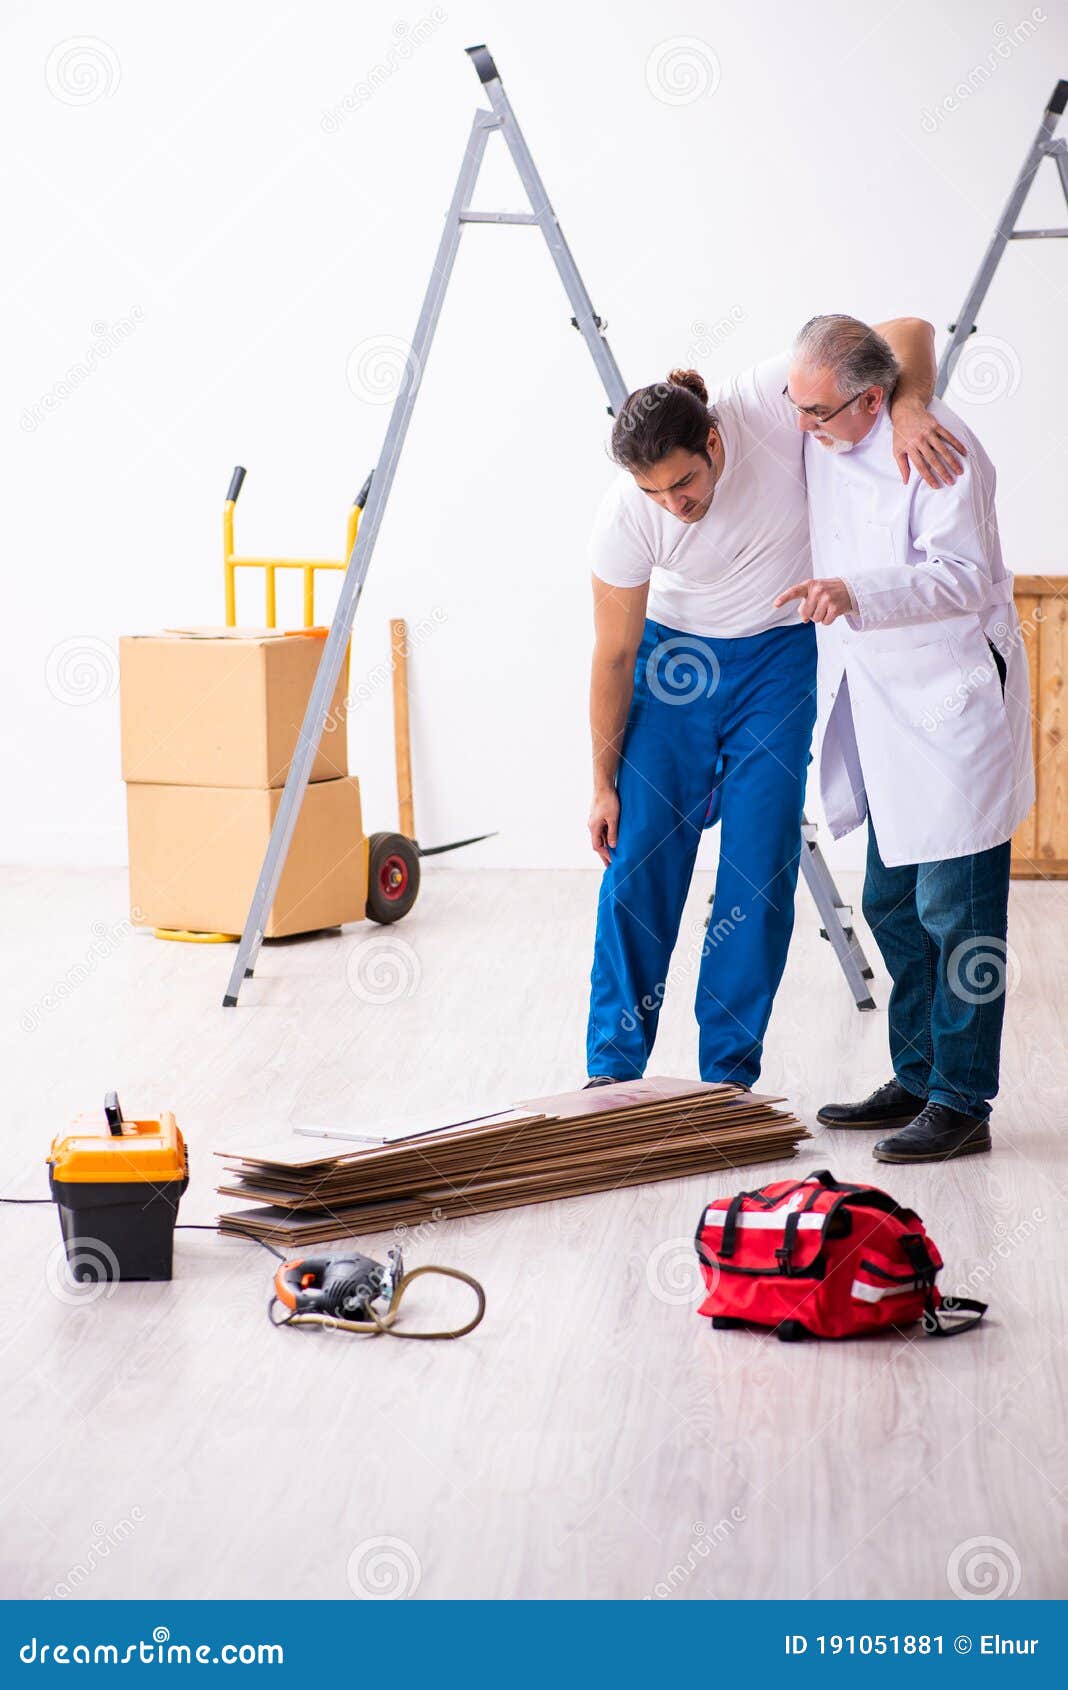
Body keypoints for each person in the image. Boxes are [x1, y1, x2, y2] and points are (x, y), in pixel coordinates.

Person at [585, 320, 963, 1090]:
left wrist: (909, 405)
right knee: (639, 865)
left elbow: (907, 332)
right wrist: (601, 782)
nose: (672, 504)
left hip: (776, 660)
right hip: (675, 666)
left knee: (758, 874)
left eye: (683, 485)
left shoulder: (763, 398)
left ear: (714, 443)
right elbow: (615, 655)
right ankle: (613, 1073)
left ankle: (728, 1079)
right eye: (654, 492)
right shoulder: (628, 514)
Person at [775, 314, 1034, 1162]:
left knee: (958, 916)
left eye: (816, 412)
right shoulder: (834, 421)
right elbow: (903, 328)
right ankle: (919, 1074)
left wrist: (856, 592)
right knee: (891, 903)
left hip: (953, 703)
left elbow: (963, 578)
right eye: (797, 406)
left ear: (871, 399)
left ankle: (962, 1100)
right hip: (883, 708)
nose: (801, 426)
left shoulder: (936, 448)